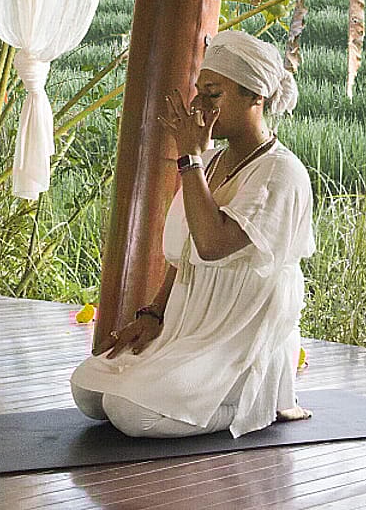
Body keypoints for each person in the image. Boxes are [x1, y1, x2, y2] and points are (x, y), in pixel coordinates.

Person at [69, 30, 315, 438]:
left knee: (130, 413)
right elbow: (185, 252)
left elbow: (213, 244)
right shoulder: (211, 161)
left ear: (255, 98)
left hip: (237, 336)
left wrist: (189, 158)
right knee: (89, 390)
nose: (198, 105)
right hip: (186, 323)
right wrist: (153, 314)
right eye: (199, 91)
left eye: (213, 94)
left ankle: (259, 403)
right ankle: (182, 387)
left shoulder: (280, 172)